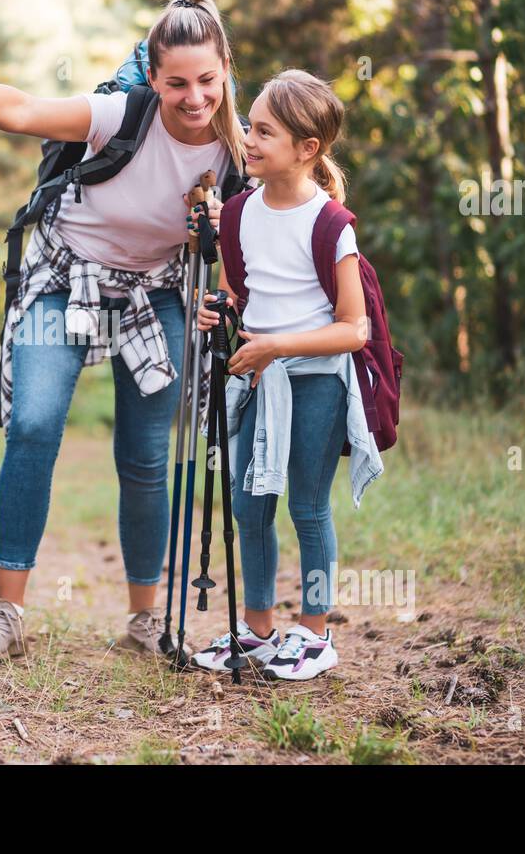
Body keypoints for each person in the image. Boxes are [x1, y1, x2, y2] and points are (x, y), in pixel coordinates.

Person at [0, 0, 249, 661]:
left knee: (145, 455)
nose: (194, 99)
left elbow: (297, 205)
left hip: (156, 290)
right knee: (35, 424)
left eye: (207, 82)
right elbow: (18, 109)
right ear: (152, 79)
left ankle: (142, 622)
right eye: (177, 84)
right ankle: (6, 614)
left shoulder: (237, 151)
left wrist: (224, 234)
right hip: (64, 275)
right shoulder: (116, 114)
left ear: (225, 75)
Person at [190, 69, 384, 681]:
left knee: (306, 506)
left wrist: (276, 346)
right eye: (250, 126)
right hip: (258, 381)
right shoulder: (239, 214)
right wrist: (215, 311)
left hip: (317, 381)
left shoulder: (331, 225)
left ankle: (316, 634)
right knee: (249, 507)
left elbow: (355, 330)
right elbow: (236, 294)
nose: (248, 137)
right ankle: (258, 629)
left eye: (264, 131)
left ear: (307, 150)